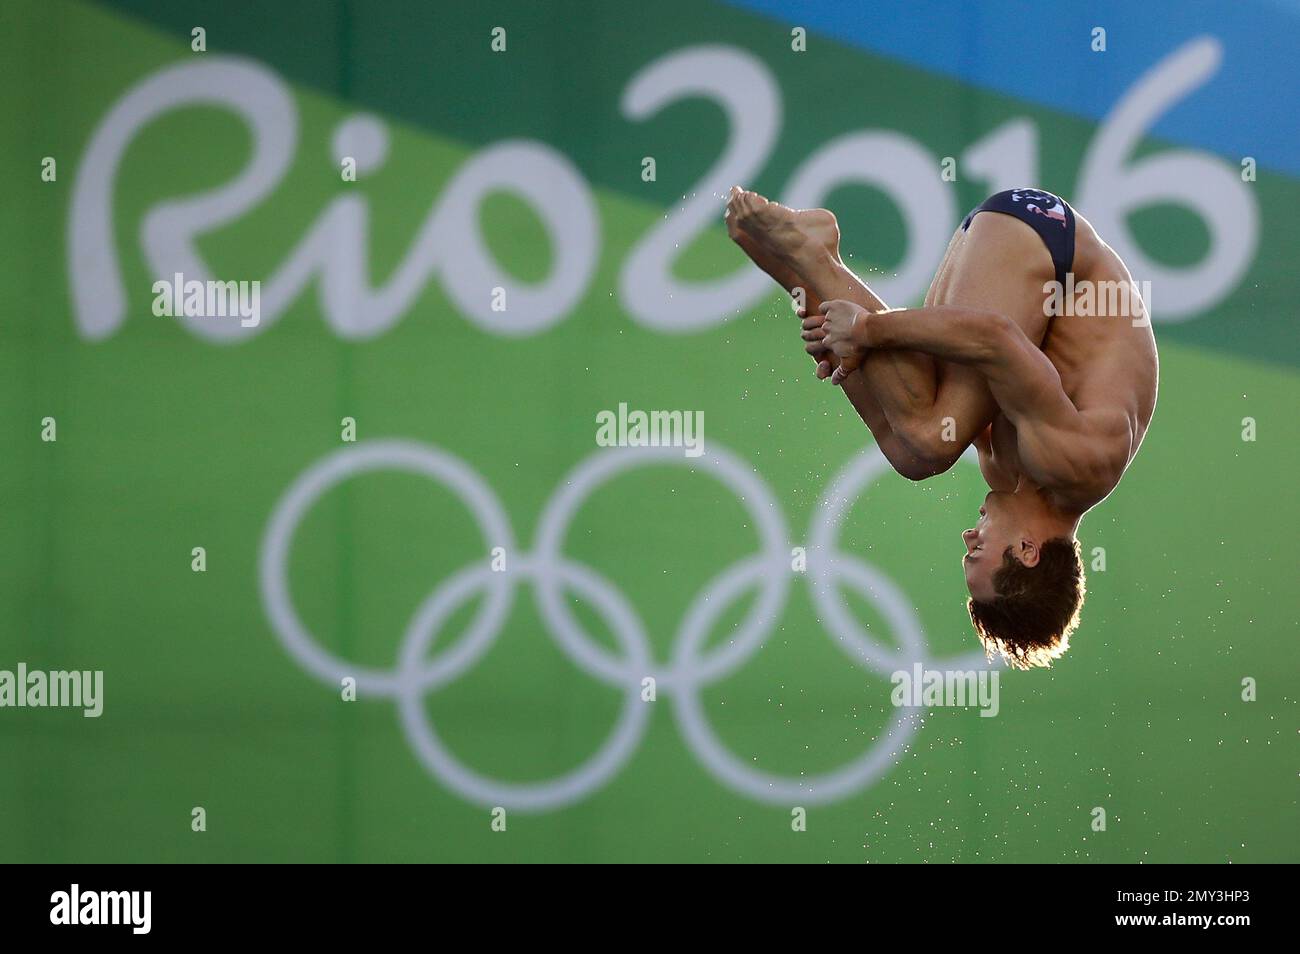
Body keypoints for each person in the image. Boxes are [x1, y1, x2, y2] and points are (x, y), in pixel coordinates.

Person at [726, 186, 1158, 668]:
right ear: (1029, 551)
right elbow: (994, 338)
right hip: (1044, 242)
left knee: (911, 453)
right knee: (932, 439)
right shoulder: (1079, 462)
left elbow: (902, 412)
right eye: (977, 555)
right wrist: (866, 332)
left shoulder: (1013, 478)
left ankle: (799, 270)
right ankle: (813, 254)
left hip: (1014, 258)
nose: (967, 540)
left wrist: (849, 357)